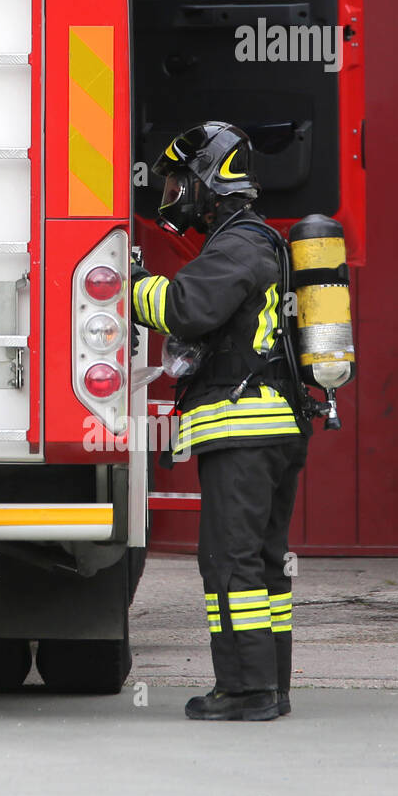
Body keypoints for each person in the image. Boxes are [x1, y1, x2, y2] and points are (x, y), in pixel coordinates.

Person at [131, 121, 308, 722]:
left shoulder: (237, 247)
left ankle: (244, 690)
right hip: (270, 429)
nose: (175, 195)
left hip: (244, 428)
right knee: (261, 562)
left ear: (211, 178)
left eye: (181, 182)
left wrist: (127, 289)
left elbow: (187, 308)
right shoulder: (254, 241)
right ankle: (270, 685)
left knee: (230, 562)